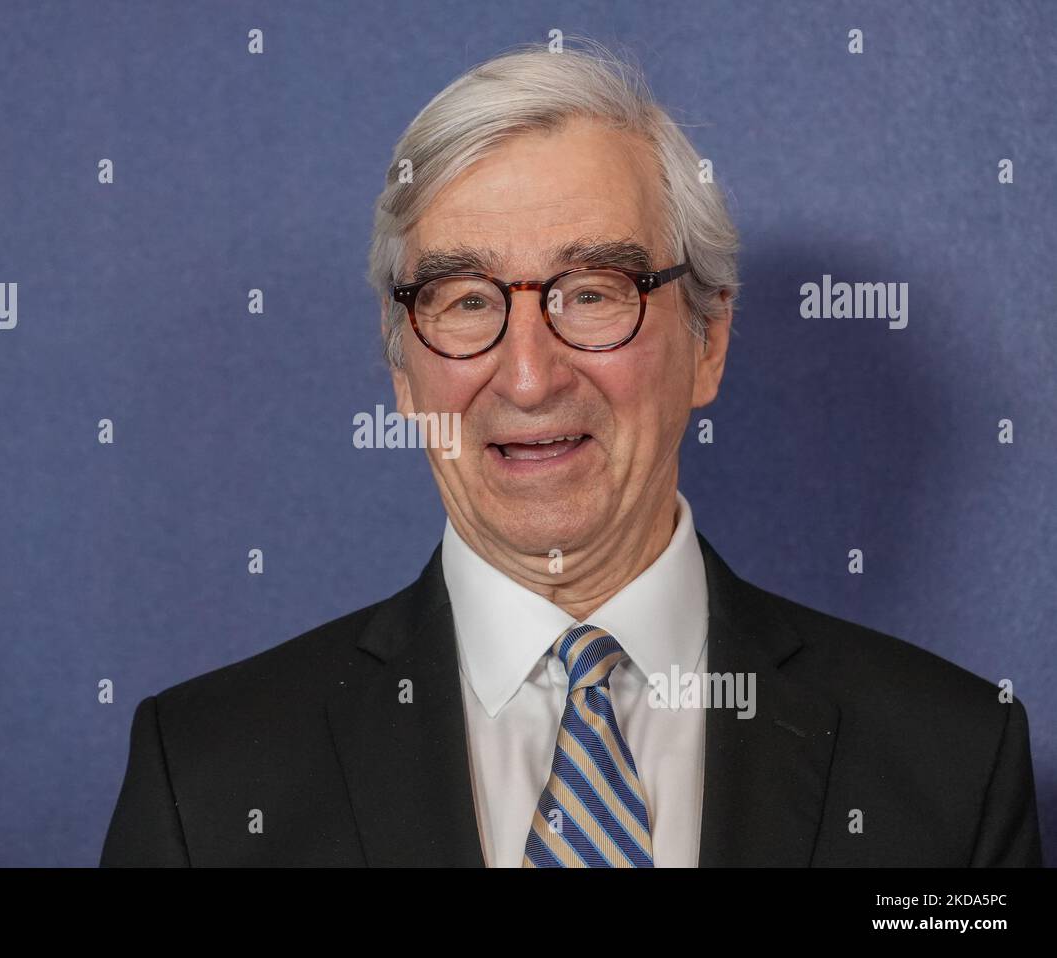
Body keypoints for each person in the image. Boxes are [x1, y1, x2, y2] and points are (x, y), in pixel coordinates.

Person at [100, 41, 1042, 867]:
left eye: (593, 293)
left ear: (708, 340)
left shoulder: (950, 766)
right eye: (465, 300)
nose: (525, 376)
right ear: (401, 369)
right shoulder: (209, 779)